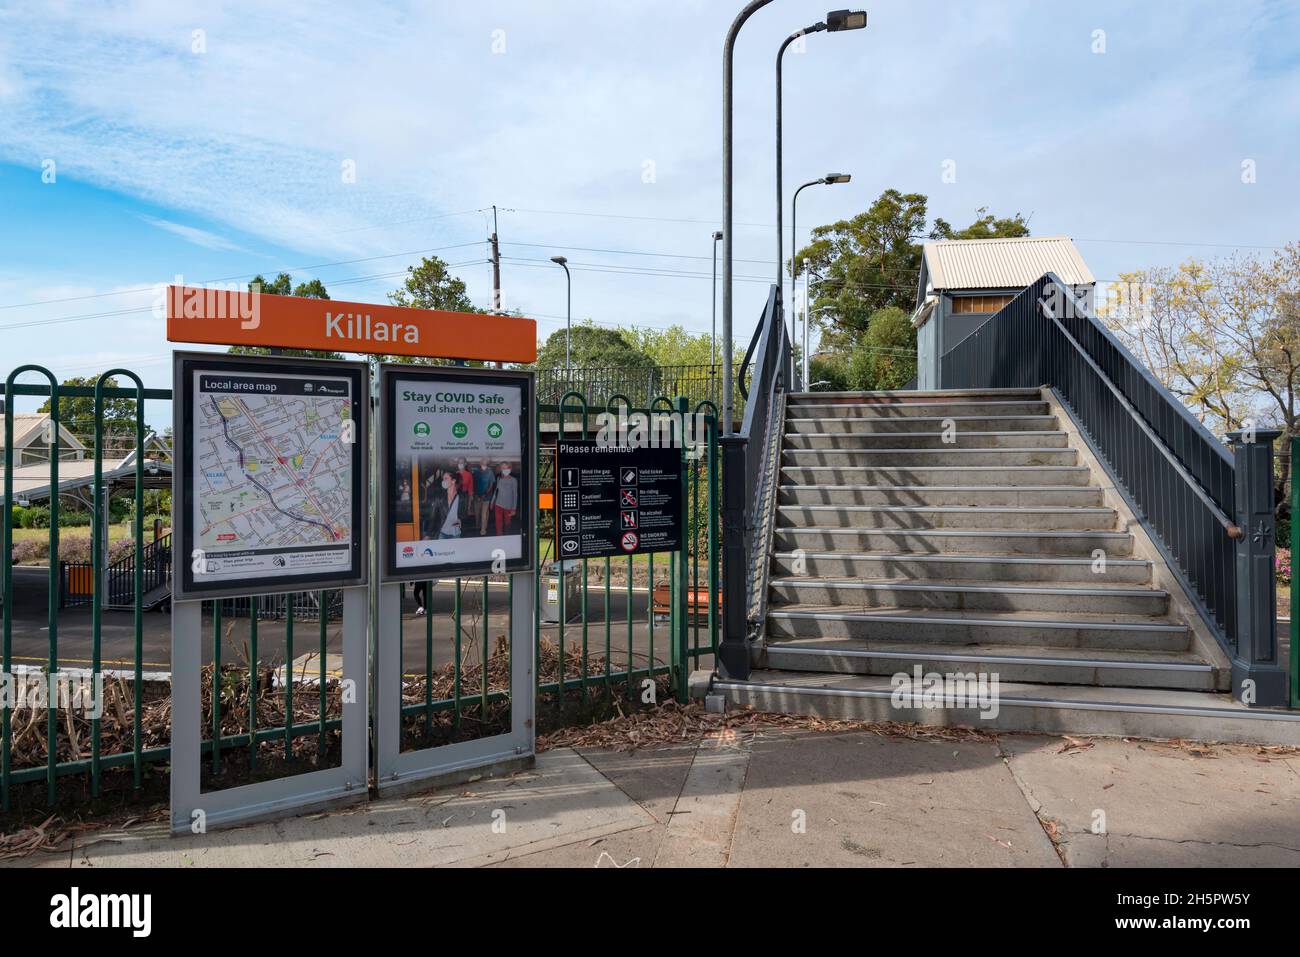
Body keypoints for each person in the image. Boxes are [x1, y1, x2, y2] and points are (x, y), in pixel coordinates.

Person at [427, 473, 465, 540]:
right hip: (442, 533)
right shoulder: (439, 497)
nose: (443, 481)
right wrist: (428, 534)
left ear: (453, 481)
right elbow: (433, 517)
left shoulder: (461, 497)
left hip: (456, 534)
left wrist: (459, 521)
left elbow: (463, 515)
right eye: (443, 479)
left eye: (446, 478)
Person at [492, 463, 519, 536]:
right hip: (498, 504)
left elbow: (515, 495)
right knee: (498, 523)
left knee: (507, 524)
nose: (504, 470)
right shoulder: (499, 479)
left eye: (506, 468)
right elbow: (495, 491)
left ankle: (507, 538)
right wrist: (492, 502)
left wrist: (514, 509)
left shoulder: (513, 480)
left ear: (509, 469)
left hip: (508, 506)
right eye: (502, 468)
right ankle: (499, 537)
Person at [472, 457, 496, 534]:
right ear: (480, 463)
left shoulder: (490, 472)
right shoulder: (476, 472)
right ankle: (477, 525)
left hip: (486, 497)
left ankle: (483, 530)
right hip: (476, 496)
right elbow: (473, 484)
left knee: (484, 514)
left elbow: (491, 485)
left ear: (487, 462)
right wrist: (475, 495)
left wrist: (484, 494)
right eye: (482, 461)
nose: (483, 462)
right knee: (477, 513)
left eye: (485, 461)